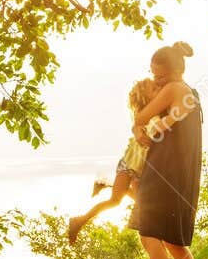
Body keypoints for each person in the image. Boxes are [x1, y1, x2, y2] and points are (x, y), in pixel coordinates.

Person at [128, 41, 208, 259]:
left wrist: (138, 128)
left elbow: (141, 116)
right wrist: (143, 130)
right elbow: (156, 127)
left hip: (164, 171)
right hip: (180, 173)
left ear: (176, 71)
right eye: (153, 74)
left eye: (160, 74)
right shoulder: (190, 93)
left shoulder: (174, 89)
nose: (156, 80)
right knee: (172, 241)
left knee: (149, 234)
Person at [66, 78, 170, 244]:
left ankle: (105, 184)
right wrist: (170, 119)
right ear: (146, 98)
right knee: (116, 201)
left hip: (140, 169)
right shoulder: (146, 116)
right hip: (129, 166)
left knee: (140, 201)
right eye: (154, 89)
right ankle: (79, 220)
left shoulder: (151, 114)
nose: (159, 90)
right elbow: (148, 125)